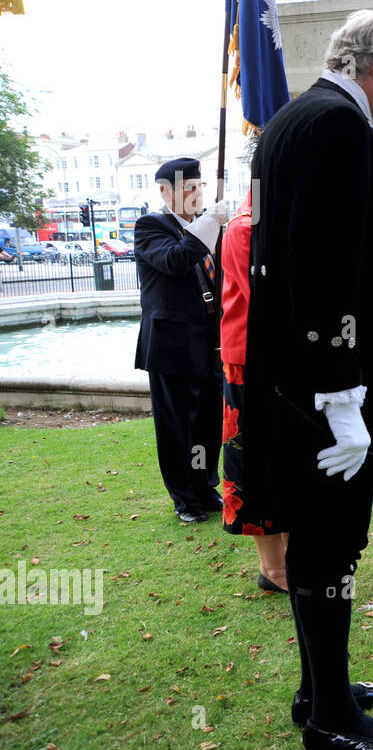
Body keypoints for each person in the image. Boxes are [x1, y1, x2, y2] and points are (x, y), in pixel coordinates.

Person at [243, 9, 373, 750]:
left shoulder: (298, 118)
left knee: (319, 542)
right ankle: (331, 720)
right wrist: (342, 395)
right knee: (327, 544)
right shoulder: (336, 127)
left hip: (301, 382)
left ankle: (319, 686)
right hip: (322, 389)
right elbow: (320, 273)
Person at [134, 158, 222, 524]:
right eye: (189, 188)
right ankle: (183, 497)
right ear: (165, 191)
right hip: (171, 345)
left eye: (199, 187)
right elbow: (175, 260)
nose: (196, 194)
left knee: (207, 422)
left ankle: (203, 484)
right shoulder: (151, 227)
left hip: (207, 341)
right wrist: (208, 224)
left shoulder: (206, 227)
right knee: (176, 426)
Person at [218, 191, 286, 593]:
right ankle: (274, 570)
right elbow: (271, 300)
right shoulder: (246, 227)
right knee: (255, 466)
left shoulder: (270, 220)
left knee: (285, 464)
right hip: (251, 363)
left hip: (276, 362)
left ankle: (289, 561)